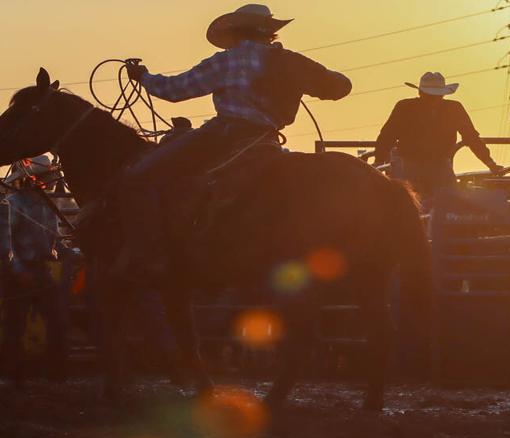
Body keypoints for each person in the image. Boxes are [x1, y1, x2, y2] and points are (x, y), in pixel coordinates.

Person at [120, 4, 353, 279]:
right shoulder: (290, 61)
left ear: (236, 31)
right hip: (267, 140)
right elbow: (341, 86)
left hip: (225, 135)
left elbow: (174, 90)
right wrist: (302, 77)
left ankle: (154, 259)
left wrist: (143, 77)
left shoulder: (228, 60)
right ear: (269, 32)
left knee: (146, 172)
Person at [373, 72, 504, 210]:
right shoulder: (448, 108)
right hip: (413, 164)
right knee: (431, 204)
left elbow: (471, 136)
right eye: (431, 96)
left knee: (437, 204)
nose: (433, 99)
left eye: (435, 96)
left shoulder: (409, 107)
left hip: (433, 164)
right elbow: (388, 135)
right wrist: (379, 159)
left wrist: (489, 161)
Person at [0, 155, 69, 383]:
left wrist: (72, 253)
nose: (51, 181)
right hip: (19, 272)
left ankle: (54, 374)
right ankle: (16, 377)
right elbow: (3, 243)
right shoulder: (12, 204)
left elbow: (54, 242)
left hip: (38, 269)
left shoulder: (47, 206)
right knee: (16, 326)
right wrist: (18, 270)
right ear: (34, 179)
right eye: (47, 177)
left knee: (57, 321)